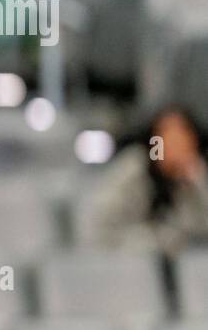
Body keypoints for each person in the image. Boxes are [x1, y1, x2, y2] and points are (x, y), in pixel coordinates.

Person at [85, 105, 208, 255]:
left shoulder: (195, 176)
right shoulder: (134, 168)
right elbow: (100, 226)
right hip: (129, 261)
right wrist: (154, 239)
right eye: (166, 136)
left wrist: (197, 182)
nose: (174, 145)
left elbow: (200, 229)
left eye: (182, 138)